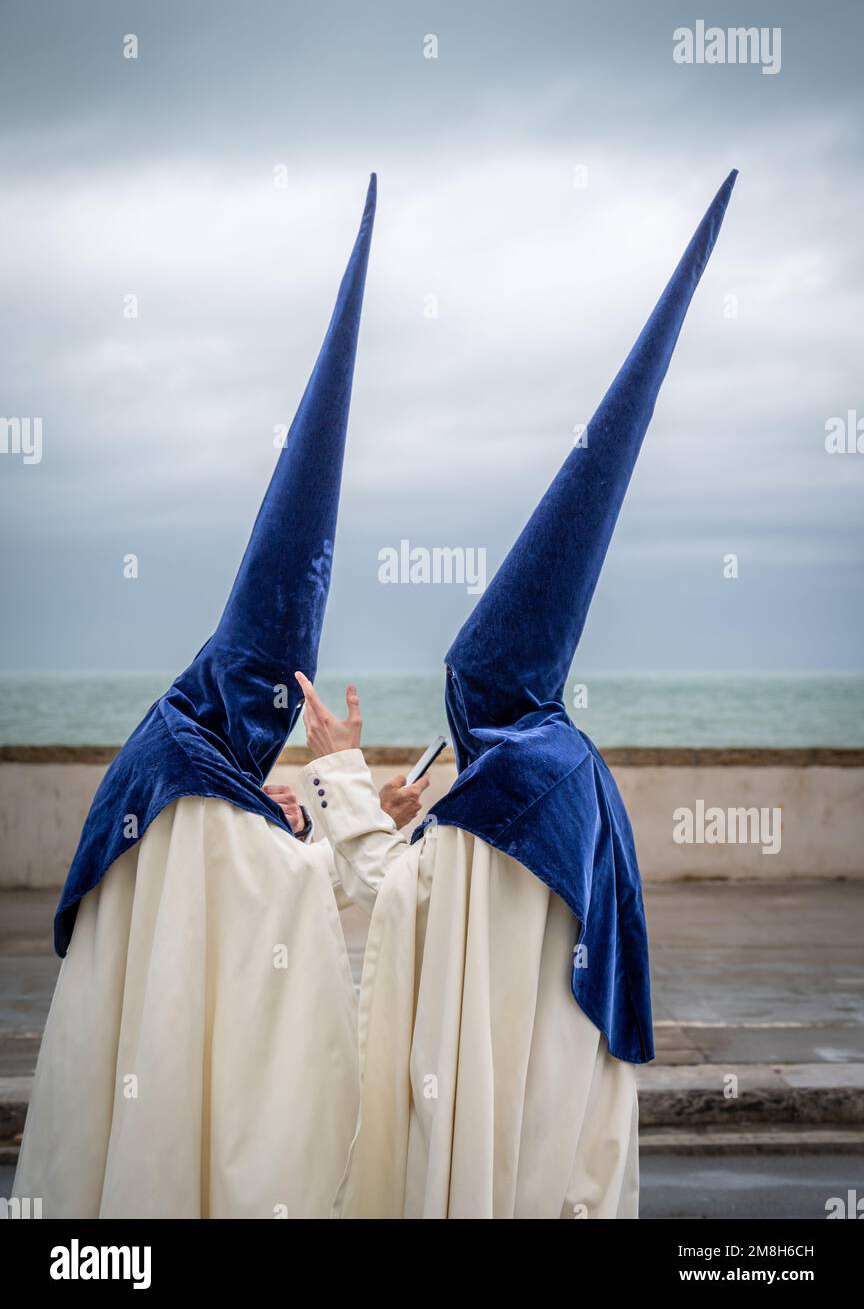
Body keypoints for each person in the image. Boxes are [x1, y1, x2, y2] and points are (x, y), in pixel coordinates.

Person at [295, 172, 738, 1219]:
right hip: (565, 1122)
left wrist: (335, 770)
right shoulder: (573, 771)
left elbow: (397, 901)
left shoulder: (509, 792)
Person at [11, 177, 390, 1220]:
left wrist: (319, 805)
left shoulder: (161, 745)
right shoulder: (220, 805)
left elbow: (244, 852)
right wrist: (343, 788)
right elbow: (293, 898)